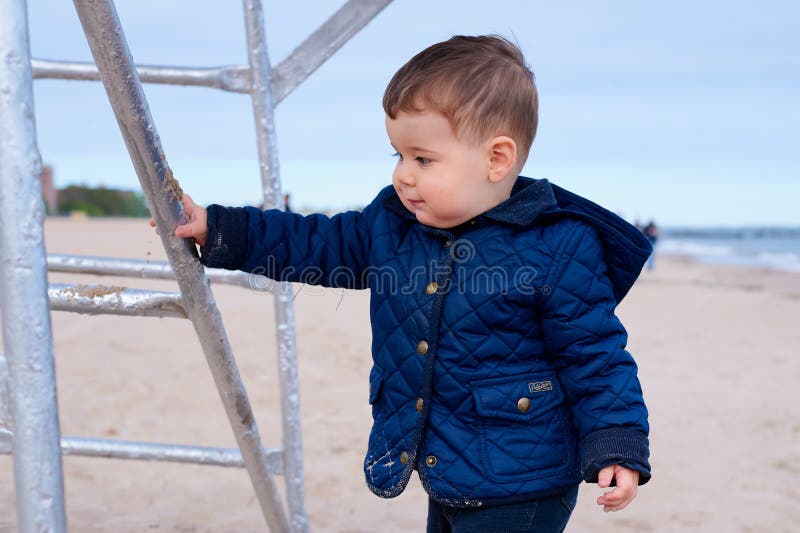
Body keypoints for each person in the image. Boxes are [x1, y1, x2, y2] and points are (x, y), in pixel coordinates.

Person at [162, 35, 652, 532]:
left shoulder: (558, 245)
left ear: (497, 159)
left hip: (525, 479)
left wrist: (617, 442)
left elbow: (595, 356)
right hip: (448, 462)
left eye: (423, 159)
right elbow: (317, 242)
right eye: (397, 155)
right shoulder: (395, 226)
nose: (403, 175)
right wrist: (223, 230)